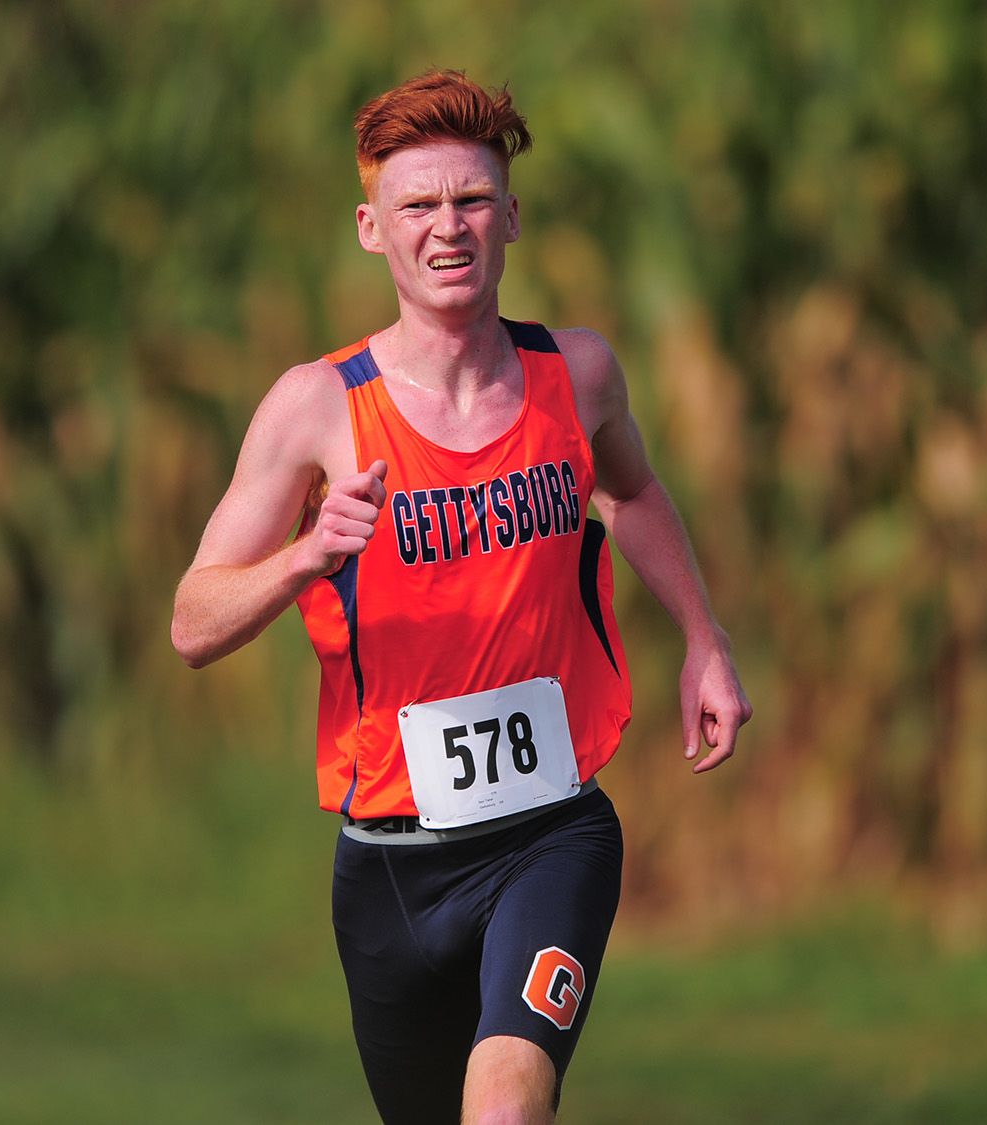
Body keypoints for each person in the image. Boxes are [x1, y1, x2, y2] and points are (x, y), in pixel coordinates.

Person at [170, 69, 750, 1125]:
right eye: (418, 206)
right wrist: (302, 559)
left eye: (472, 201)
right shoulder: (315, 409)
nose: (448, 228)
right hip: (389, 868)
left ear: (511, 217)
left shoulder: (574, 376)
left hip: (551, 833)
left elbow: (631, 494)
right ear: (369, 230)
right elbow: (192, 623)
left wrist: (704, 642)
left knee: (504, 1106)